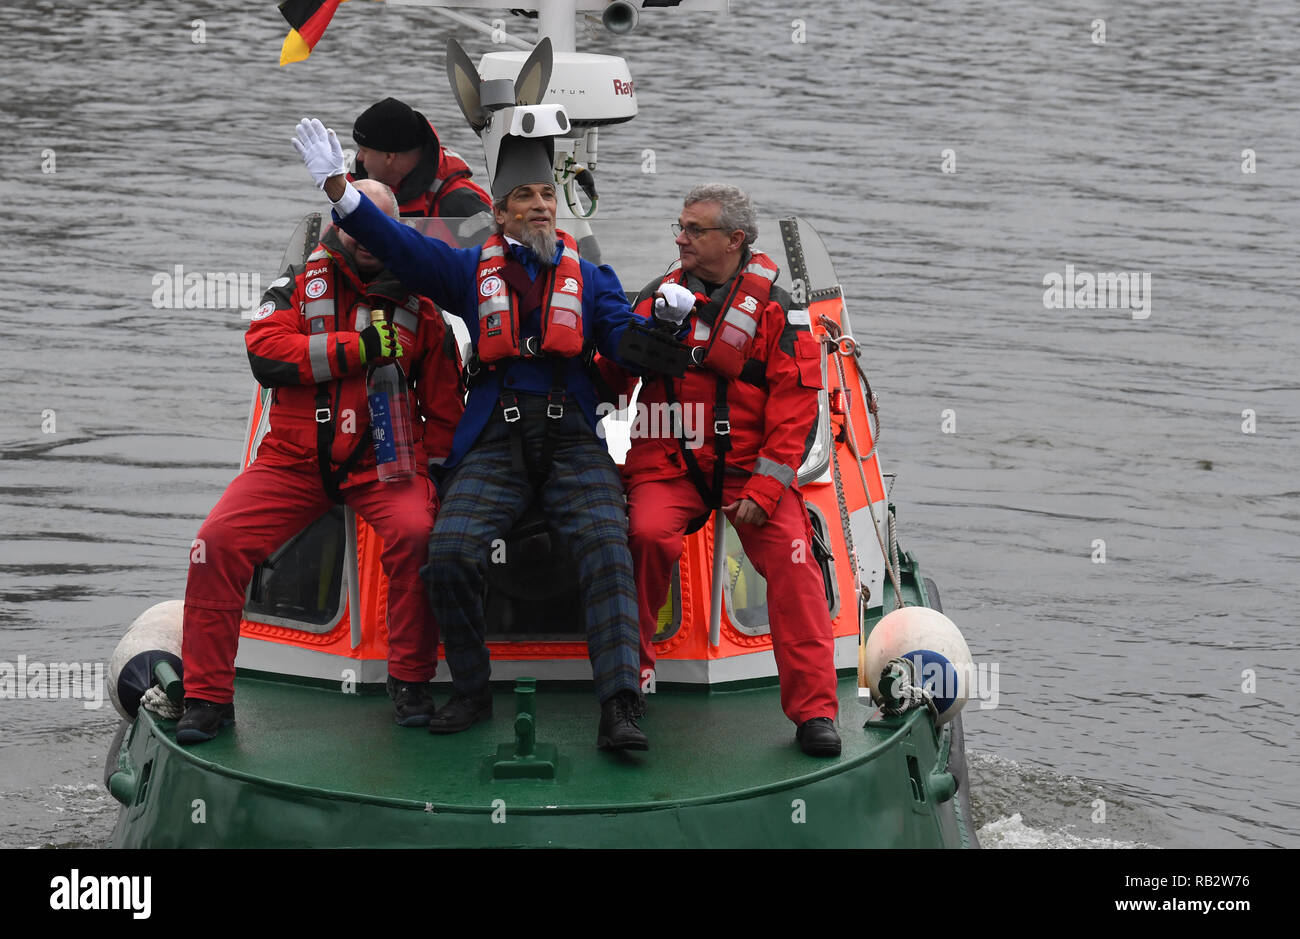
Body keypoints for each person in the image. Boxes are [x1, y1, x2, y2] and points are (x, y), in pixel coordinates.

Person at [292, 117, 649, 751]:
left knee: (608, 548)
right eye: (524, 200)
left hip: (572, 438)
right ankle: (470, 689)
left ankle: (619, 704)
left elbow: (622, 337)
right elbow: (399, 246)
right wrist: (337, 188)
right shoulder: (464, 272)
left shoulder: (593, 279)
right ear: (503, 215)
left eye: (546, 197)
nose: (539, 208)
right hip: (495, 440)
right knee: (450, 551)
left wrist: (661, 333)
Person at [177, 178, 465, 744]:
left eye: (374, 228)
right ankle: (207, 696)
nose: (362, 239)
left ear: (393, 230)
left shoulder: (421, 307)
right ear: (338, 223)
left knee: (417, 535)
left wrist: (435, 474)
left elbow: (444, 407)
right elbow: (265, 353)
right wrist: (357, 350)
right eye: (352, 225)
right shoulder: (296, 286)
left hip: (383, 463)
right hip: (291, 461)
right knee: (215, 545)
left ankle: (409, 680)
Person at [616, 184, 843, 756]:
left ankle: (815, 712)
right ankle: (628, 689)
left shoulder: (777, 312)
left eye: (695, 230)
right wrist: (629, 348)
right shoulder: (658, 297)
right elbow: (608, 380)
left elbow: (794, 409)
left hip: (750, 473)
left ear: (735, 240)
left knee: (797, 567)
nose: (680, 239)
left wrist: (766, 491)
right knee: (642, 537)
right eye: (680, 226)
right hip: (670, 464)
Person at [351, 97, 491, 219]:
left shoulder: (459, 201)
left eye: (364, 150)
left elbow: (494, 246)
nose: (359, 158)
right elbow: (334, 243)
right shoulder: (356, 183)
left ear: (389, 157)